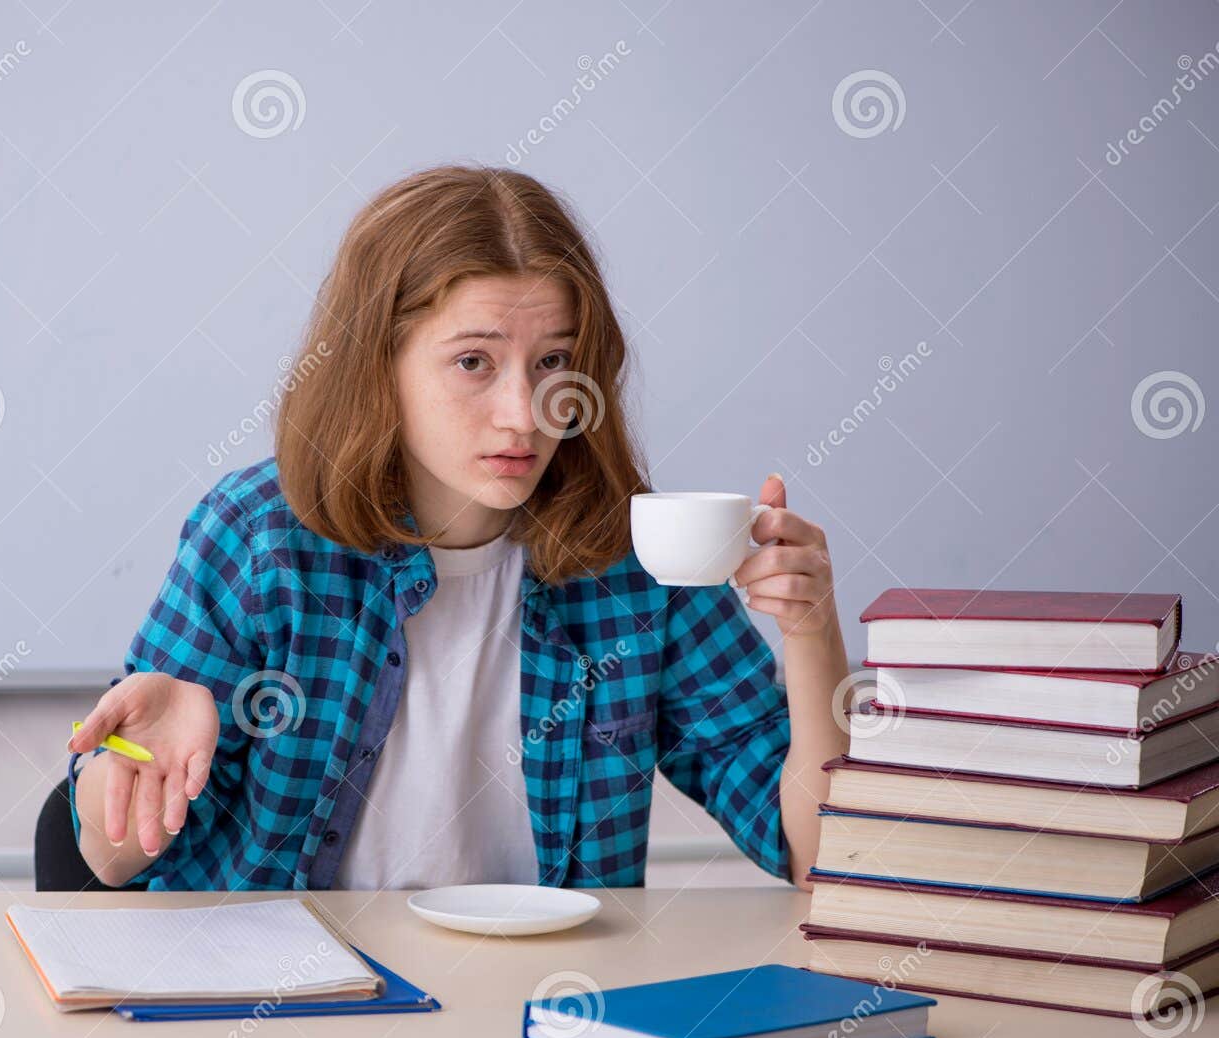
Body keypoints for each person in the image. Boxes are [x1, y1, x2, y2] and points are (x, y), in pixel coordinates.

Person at [66, 164, 849, 892]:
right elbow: (109, 863)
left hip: (543, 1015)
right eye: (474, 362)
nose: (525, 414)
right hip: (295, 1020)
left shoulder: (632, 557)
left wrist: (812, 633)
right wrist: (140, 762)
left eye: (553, 363)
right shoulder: (258, 536)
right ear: (379, 365)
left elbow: (820, 857)